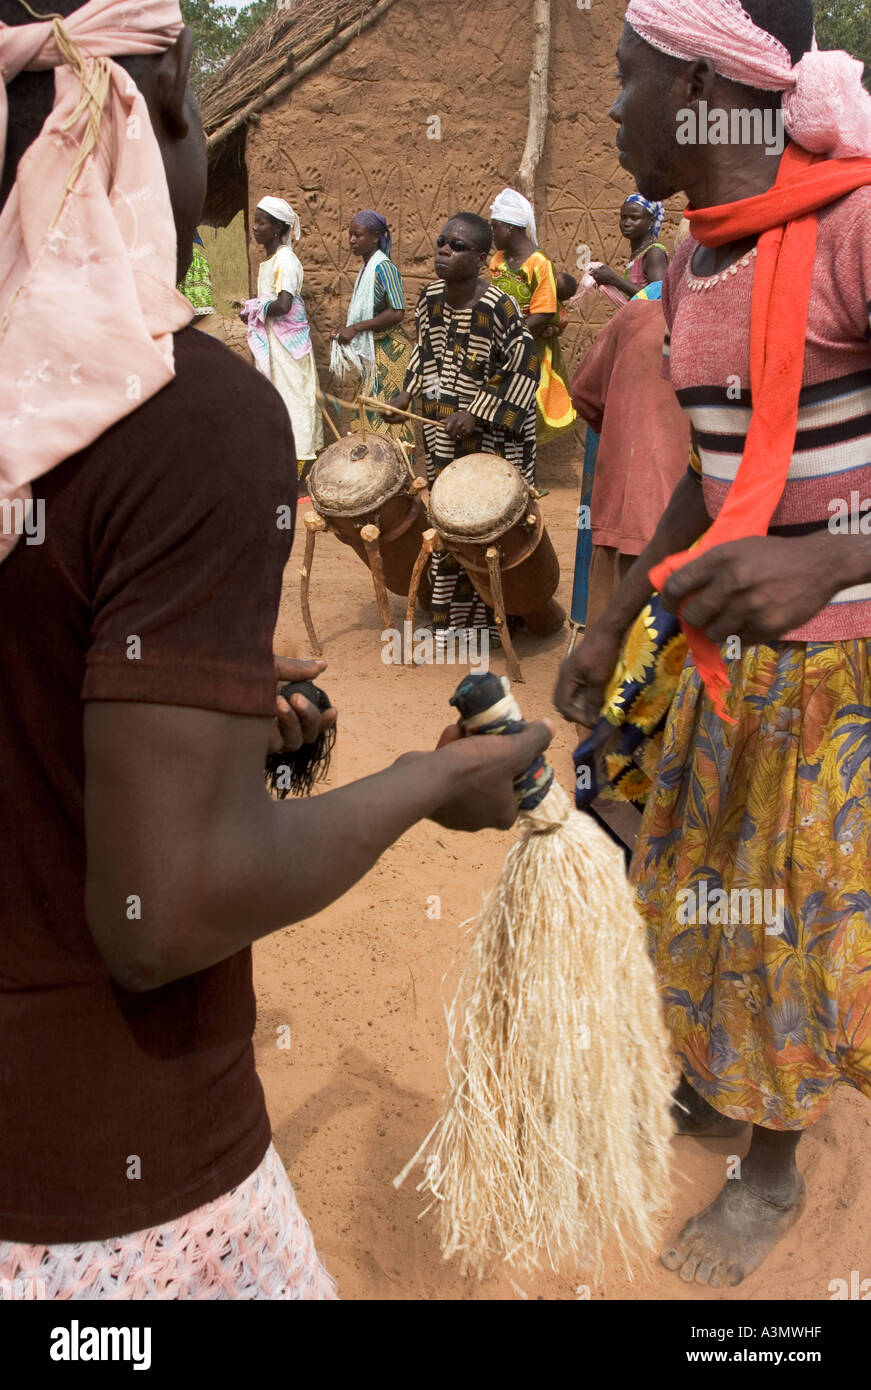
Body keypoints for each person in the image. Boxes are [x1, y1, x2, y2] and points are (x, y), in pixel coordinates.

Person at [0, 0, 552, 1301]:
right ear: (168, 110)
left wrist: (222, 715)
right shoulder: (183, 421)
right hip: (104, 1187)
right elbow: (162, 911)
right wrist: (432, 785)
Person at [556, 0, 871, 1289]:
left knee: (791, 920)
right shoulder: (694, 263)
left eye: (624, 77)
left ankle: (772, 1165)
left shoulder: (853, 226)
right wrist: (621, 611)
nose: (611, 106)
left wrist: (829, 553)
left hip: (839, 668)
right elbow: (714, 465)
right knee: (696, 877)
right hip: (726, 653)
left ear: (695, 82)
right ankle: (714, 1073)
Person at [386, 213, 540, 637]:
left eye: (457, 246)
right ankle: (453, 624)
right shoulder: (430, 298)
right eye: (441, 242)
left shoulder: (499, 307)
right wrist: (406, 395)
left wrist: (478, 413)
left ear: (481, 259)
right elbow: (425, 355)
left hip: (495, 442)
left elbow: (525, 368)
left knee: (490, 530)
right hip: (441, 432)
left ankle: (500, 622)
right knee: (448, 523)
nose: (444, 250)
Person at [570, 296, 690, 634]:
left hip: (624, 521)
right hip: (699, 535)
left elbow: (584, 395)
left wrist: (622, 433)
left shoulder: (636, 317)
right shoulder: (745, 323)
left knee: (611, 657)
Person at [242, 196, 323, 483]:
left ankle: (299, 476)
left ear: (277, 228)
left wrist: (254, 309)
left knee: (295, 401)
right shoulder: (272, 262)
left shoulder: (286, 261)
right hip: (278, 345)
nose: (255, 228)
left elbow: (283, 305)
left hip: (288, 347)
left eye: (261, 222)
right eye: (255, 221)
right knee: (280, 399)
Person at [488, 187, 577, 443]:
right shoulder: (499, 260)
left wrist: (512, 338)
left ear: (512, 228)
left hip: (532, 343)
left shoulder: (539, 263)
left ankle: (528, 472)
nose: (492, 233)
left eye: (496, 227)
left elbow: (543, 311)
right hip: (505, 341)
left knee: (531, 404)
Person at [330, 209, 414, 446]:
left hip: (391, 353)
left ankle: (400, 479)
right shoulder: (366, 269)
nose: (352, 240)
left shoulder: (384, 268)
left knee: (389, 421)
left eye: (358, 235)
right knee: (367, 418)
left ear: (376, 237)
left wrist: (356, 328)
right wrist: (345, 330)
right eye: (350, 235)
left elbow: (397, 312)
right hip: (375, 351)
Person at [590, 193, 669, 300]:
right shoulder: (639, 254)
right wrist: (606, 281)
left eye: (634, 218)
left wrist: (613, 279)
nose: (627, 223)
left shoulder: (654, 253)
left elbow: (657, 296)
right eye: (623, 217)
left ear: (651, 221)